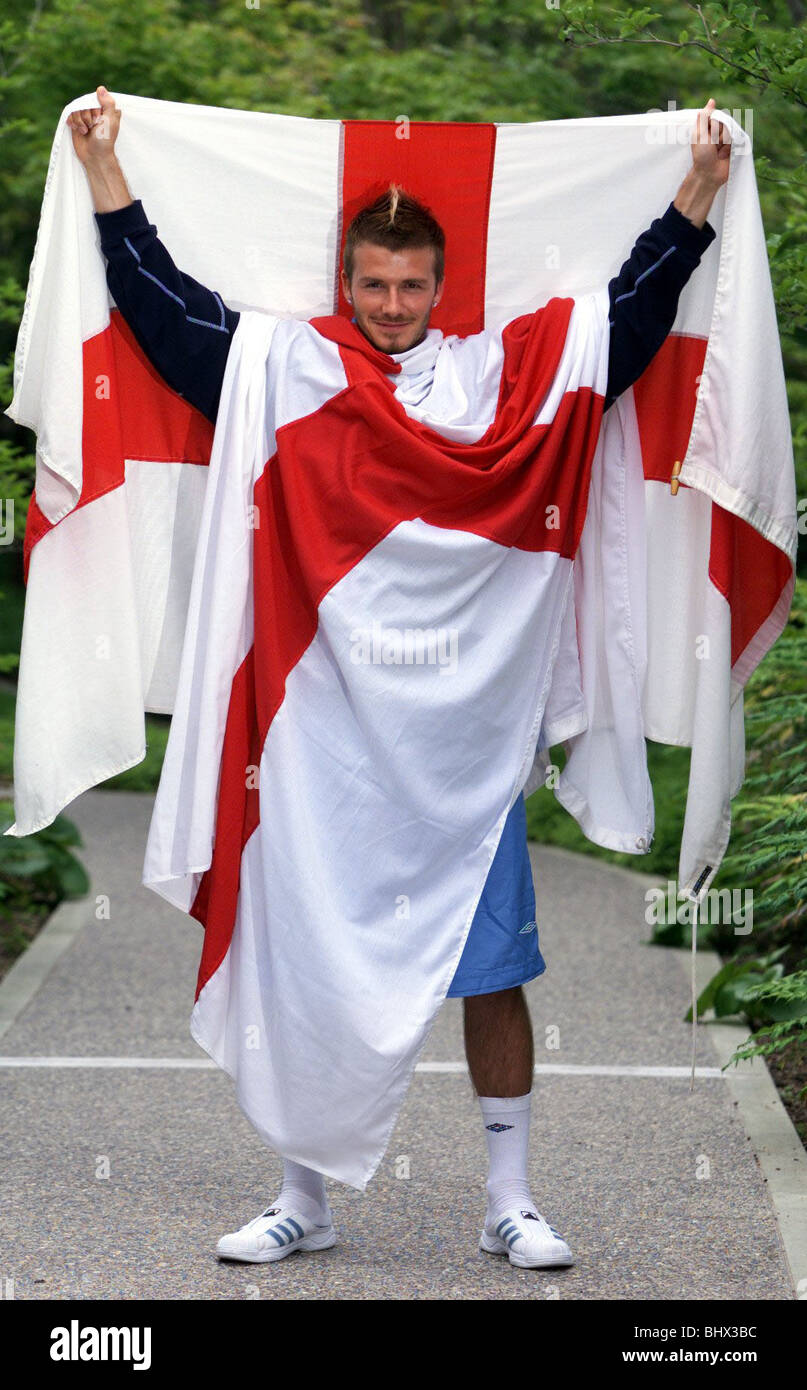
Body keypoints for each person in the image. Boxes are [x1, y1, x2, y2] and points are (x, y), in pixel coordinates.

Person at [67, 86, 729, 1271]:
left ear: (439, 286)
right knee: (306, 963)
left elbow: (624, 325)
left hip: (464, 752)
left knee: (496, 976)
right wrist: (109, 176)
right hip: (320, 741)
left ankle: (508, 1199)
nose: (388, 305)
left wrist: (693, 197)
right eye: (371, 284)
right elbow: (168, 320)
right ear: (348, 279)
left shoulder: (502, 380)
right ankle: (302, 1199)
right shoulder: (288, 367)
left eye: (409, 286)